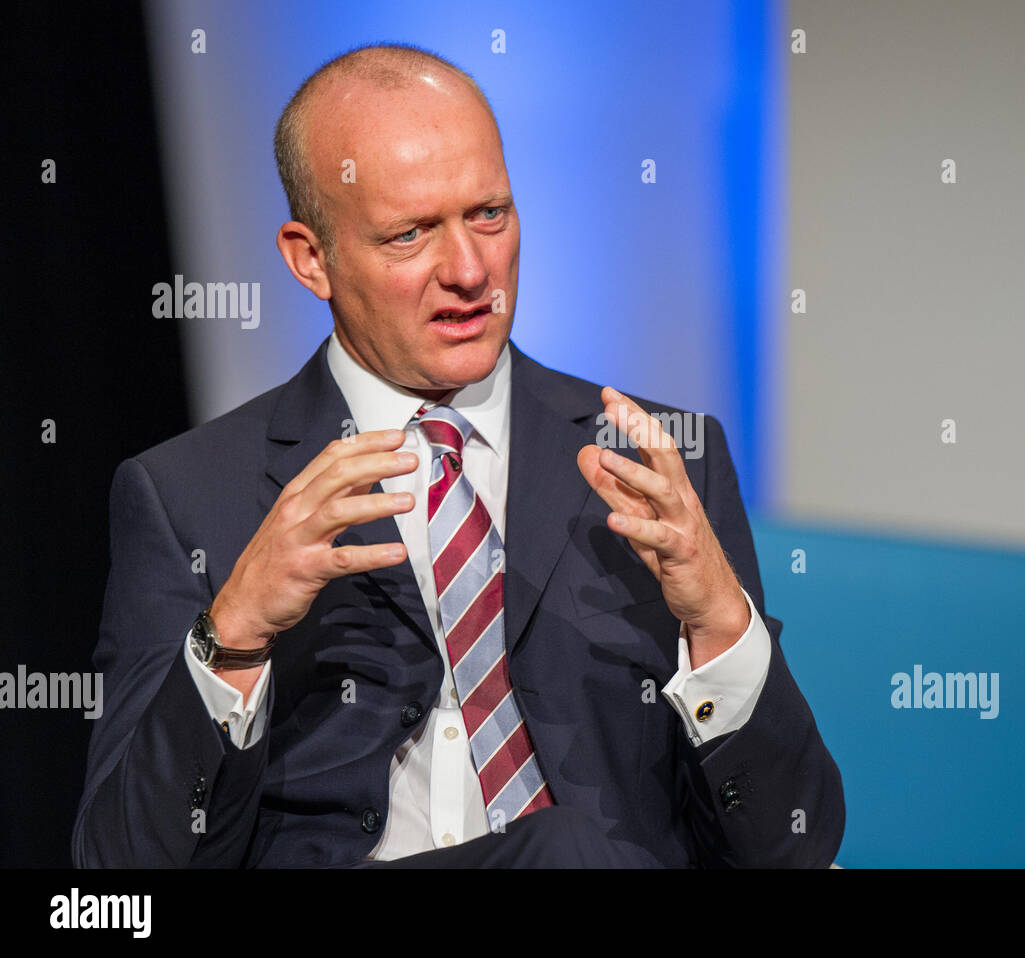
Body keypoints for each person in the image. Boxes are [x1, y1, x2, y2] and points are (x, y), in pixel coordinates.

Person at [72, 44, 844, 868]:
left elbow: (789, 849)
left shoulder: (653, 462)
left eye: (489, 215)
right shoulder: (191, 495)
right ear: (310, 258)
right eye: (410, 234)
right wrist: (233, 637)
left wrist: (722, 626)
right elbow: (121, 880)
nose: (471, 271)